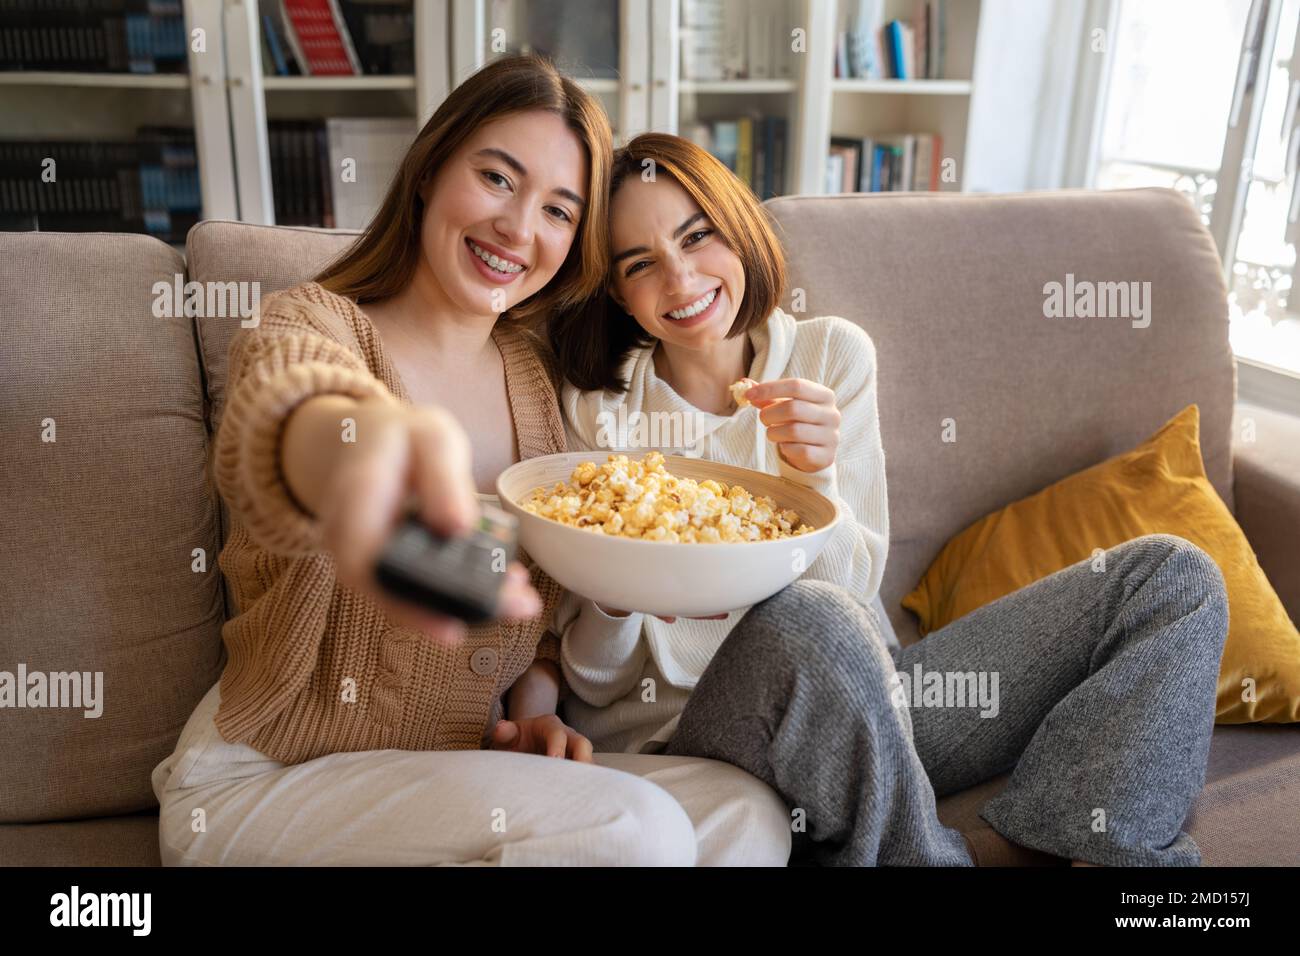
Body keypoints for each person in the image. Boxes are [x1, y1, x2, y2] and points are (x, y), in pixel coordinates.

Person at [150, 59, 790, 867]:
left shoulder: (535, 382)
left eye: (559, 210)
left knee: (747, 814)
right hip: (265, 780)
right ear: (428, 170)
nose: (520, 229)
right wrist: (360, 459)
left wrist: (531, 707)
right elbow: (281, 416)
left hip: (452, 769)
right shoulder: (316, 324)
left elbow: (538, 618)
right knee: (636, 831)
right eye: (496, 178)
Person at [547, 133, 1231, 866]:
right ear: (618, 291)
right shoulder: (599, 411)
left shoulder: (831, 355)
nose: (680, 280)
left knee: (1173, 576)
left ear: (739, 229)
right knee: (807, 617)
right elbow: (594, 679)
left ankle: (1105, 854)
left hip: (879, 700)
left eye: (696, 236)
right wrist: (613, 583)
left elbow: (851, 589)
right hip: (708, 732)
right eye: (640, 264)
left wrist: (812, 475)